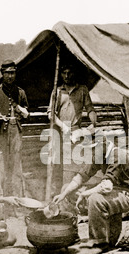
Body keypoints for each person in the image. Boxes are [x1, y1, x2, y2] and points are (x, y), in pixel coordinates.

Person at [53, 133, 129, 254]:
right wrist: (63, 194)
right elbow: (81, 176)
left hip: (126, 194)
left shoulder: (118, 155)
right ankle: (72, 233)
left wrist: (84, 194)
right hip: (111, 192)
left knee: (95, 199)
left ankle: (99, 243)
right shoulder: (99, 154)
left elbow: (106, 186)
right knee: (68, 188)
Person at [0, 60, 29, 212]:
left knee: (16, 171)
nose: (10, 76)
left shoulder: (20, 92)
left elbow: (26, 111)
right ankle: (1, 208)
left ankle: (18, 207)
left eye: (13, 73)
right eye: (7, 73)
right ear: (2, 74)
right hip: (0, 135)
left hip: (16, 135)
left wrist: (21, 114)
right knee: (0, 170)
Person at [47, 64, 97, 194]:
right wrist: (63, 126)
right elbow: (50, 114)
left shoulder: (82, 90)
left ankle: (71, 197)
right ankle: (54, 198)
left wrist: (93, 122)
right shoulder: (57, 91)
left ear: (74, 73)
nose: (67, 76)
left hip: (75, 133)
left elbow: (90, 109)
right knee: (56, 165)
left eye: (70, 73)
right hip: (59, 132)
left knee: (73, 166)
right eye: (64, 73)